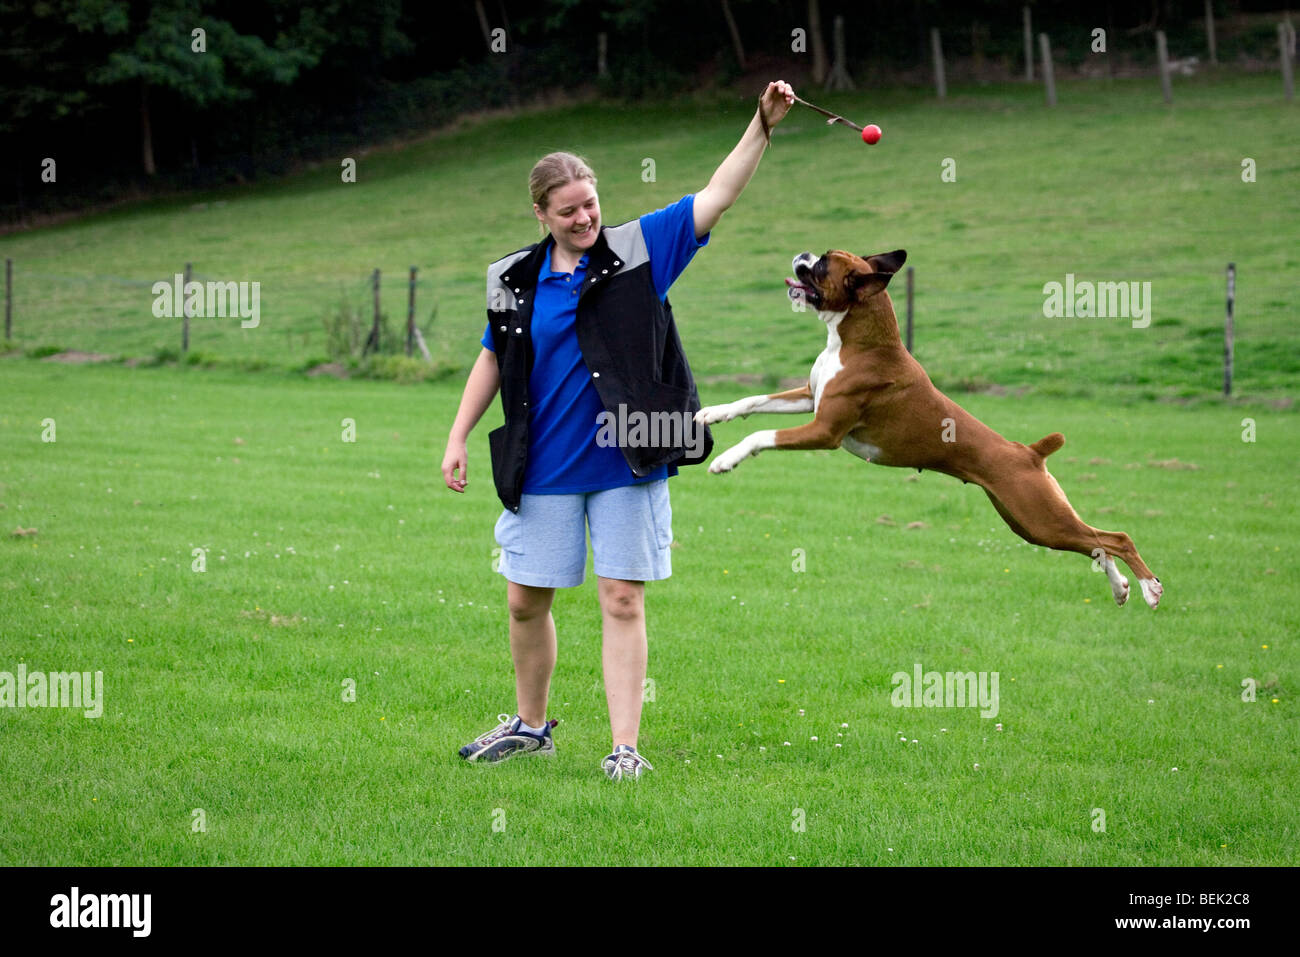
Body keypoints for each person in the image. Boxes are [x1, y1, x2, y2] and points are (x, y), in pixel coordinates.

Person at [442, 80, 795, 780]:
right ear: (540, 212)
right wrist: (457, 435)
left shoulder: (640, 248)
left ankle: (624, 747)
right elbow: (494, 355)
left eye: (591, 203)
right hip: (541, 462)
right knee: (523, 598)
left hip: (628, 455)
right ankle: (532, 726)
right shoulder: (511, 278)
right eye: (568, 210)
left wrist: (761, 124)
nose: (584, 218)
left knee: (623, 596)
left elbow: (717, 195)